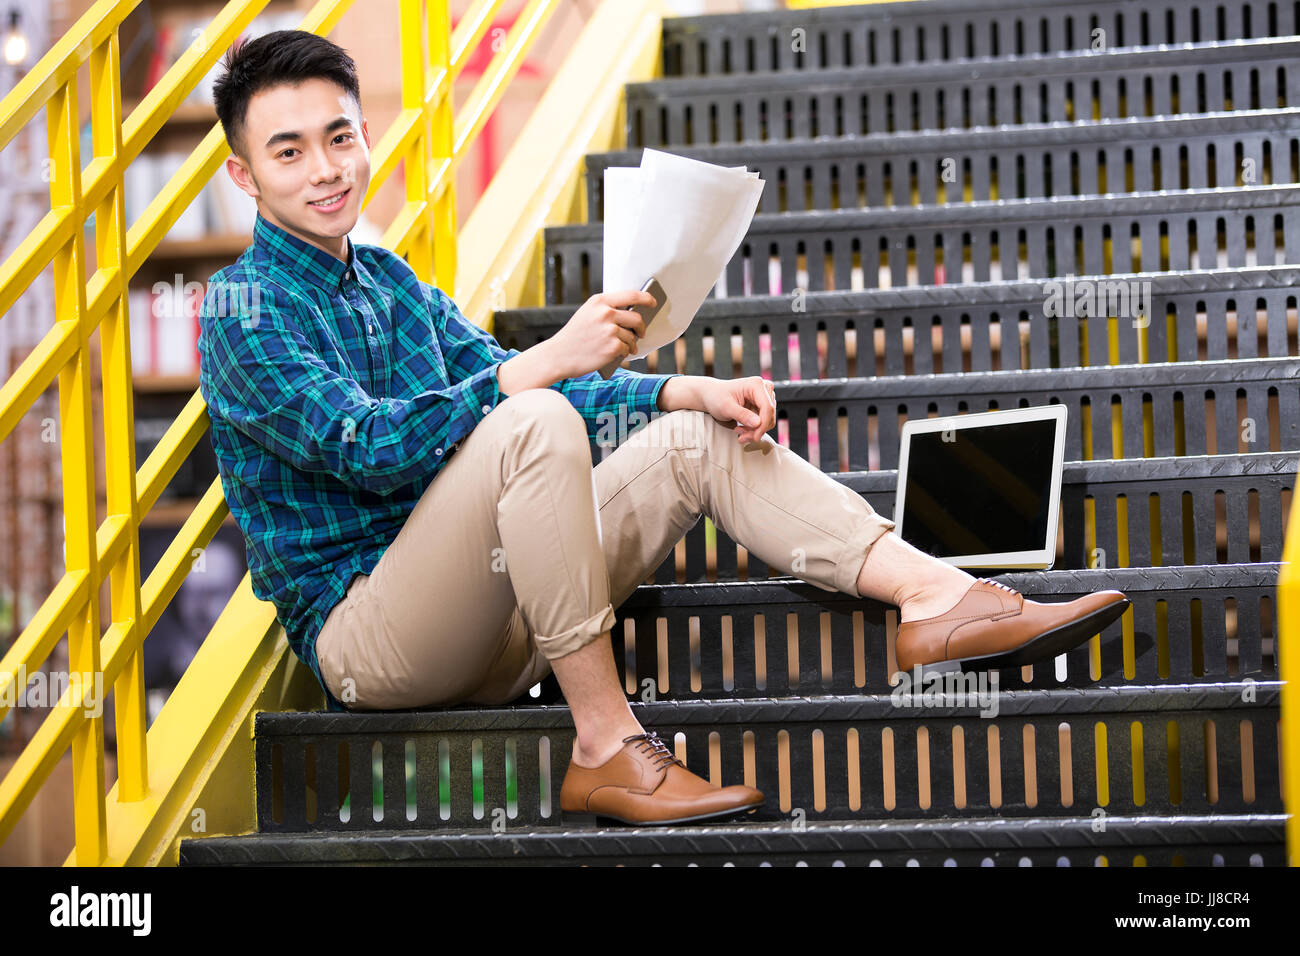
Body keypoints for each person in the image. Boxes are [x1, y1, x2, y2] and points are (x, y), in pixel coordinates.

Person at [199, 30, 1130, 827]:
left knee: (692, 435)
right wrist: (544, 363)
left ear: (366, 136)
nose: (326, 169)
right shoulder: (242, 309)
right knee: (530, 415)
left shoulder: (389, 282)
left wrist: (685, 390)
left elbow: (522, 392)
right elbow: (369, 448)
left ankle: (934, 600)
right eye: (290, 152)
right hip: (376, 639)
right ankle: (605, 743)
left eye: (340, 137)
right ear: (244, 175)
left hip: (508, 611)